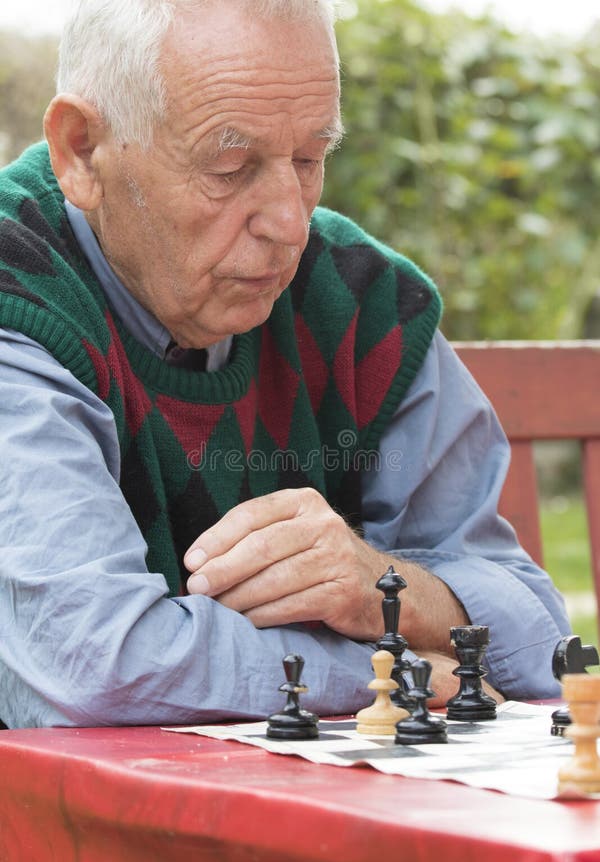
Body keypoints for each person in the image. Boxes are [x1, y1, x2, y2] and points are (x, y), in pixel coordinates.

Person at [0, 0, 569, 729]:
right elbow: (92, 667)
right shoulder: (19, 299)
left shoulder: (362, 304)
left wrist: (383, 587)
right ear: (82, 150)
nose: (289, 223)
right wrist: (403, 673)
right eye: (230, 167)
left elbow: (539, 632)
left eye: (310, 159)